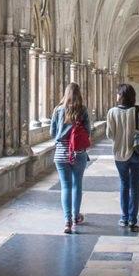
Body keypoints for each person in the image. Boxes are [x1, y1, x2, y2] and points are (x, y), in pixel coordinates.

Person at [51, 82, 91, 234]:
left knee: (65, 186)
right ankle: (76, 216)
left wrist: (62, 136)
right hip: (78, 153)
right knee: (77, 185)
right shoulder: (83, 110)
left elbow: (52, 133)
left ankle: (67, 221)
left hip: (61, 154)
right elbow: (88, 131)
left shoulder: (57, 110)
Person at [106, 84, 139, 231]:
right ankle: (133, 220)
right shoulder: (138, 110)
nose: (116, 96)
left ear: (121, 96)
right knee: (135, 186)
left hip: (119, 154)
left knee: (124, 184)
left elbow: (109, 134)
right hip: (136, 153)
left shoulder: (112, 112)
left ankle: (124, 218)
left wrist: (120, 135)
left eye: (118, 93)